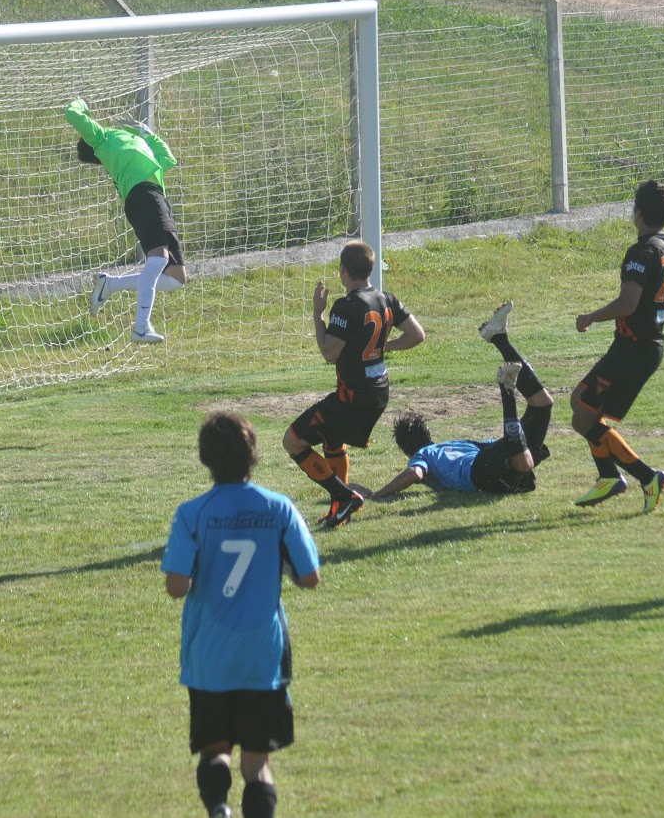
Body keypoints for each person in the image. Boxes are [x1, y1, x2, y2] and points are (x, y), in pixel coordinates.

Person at [164, 412, 321, 818]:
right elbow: (310, 577)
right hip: (262, 656)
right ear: (253, 455)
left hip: (208, 656)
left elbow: (176, 585)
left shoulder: (191, 514)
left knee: (215, 750)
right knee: (258, 763)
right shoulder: (279, 508)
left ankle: (218, 807)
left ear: (205, 459)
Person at [283, 240, 425, 528]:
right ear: (369, 270)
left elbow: (328, 352)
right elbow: (416, 335)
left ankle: (344, 496)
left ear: (343, 271)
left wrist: (318, 312)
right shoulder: (388, 299)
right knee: (331, 438)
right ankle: (341, 506)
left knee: (293, 441)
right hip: (378, 392)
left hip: (353, 397)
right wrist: (384, 347)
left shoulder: (346, 306)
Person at [571, 179, 664, 511]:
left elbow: (627, 304)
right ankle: (608, 477)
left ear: (637, 212)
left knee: (582, 419)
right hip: (644, 347)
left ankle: (646, 476)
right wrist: (655, 319)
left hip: (633, 350)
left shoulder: (642, 252)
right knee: (580, 400)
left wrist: (590, 317)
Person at [373, 301, 553, 500]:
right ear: (428, 435)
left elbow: (414, 474)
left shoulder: (422, 455)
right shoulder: (457, 444)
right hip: (486, 461)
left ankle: (506, 388)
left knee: (521, 459)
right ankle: (499, 339)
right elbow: (494, 444)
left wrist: (378, 494)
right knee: (543, 404)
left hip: (479, 473)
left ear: (407, 450)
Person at [66, 98, 186, 344]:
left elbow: (168, 160)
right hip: (142, 197)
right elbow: (72, 114)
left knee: (176, 278)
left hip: (157, 198)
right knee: (158, 258)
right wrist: (81, 102)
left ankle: (109, 286)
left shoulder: (139, 146)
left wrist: (148, 134)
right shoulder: (102, 139)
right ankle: (141, 327)